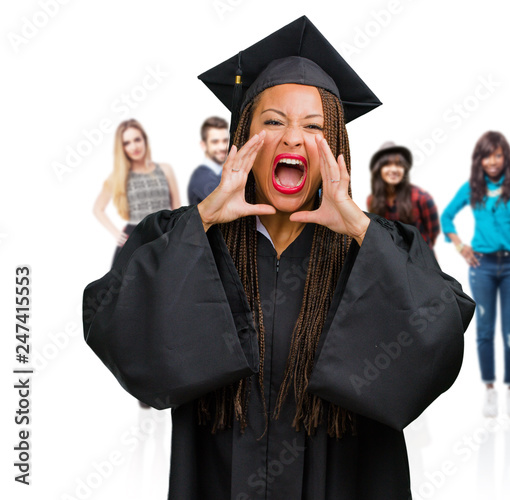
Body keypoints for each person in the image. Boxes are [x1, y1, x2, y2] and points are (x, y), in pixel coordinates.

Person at [82, 17, 474, 499]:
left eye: (313, 126)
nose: (292, 138)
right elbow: (112, 321)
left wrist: (356, 224)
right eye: (273, 121)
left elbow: (437, 339)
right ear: (244, 136)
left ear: (334, 146)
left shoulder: (374, 245)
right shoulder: (191, 238)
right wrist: (203, 219)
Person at [441, 131, 510, 418]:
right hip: (482, 267)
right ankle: (490, 389)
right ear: (478, 160)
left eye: (497, 154)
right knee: (484, 329)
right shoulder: (472, 188)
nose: (492, 161)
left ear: (505, 157)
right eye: (486, 155)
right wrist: (461, 247)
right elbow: (446, 217)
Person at [93, 119, 181, 264]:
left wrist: (177, 236)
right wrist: (116, 234)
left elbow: (177, 206)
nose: (134, 146)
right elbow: (98, 209)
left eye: (137, 139)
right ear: (121, 148)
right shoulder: (118, 176)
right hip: (134, 240)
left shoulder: (165, 170)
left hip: (164, 235)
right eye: (127, 143)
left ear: (145, 140)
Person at [366, 141, 440, 248]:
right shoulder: (372, 200)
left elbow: (433, 232)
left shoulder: (421, 198)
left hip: (421, 258)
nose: (394, 169)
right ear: (379, 169)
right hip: (392, 260)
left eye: (398, 164)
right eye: (387, 164)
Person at [187, 116, 230, 205]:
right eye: (215, 142)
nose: (222, 147)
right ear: (203, 145)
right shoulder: (202, 178)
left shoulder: (222, 172)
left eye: (225, 141)